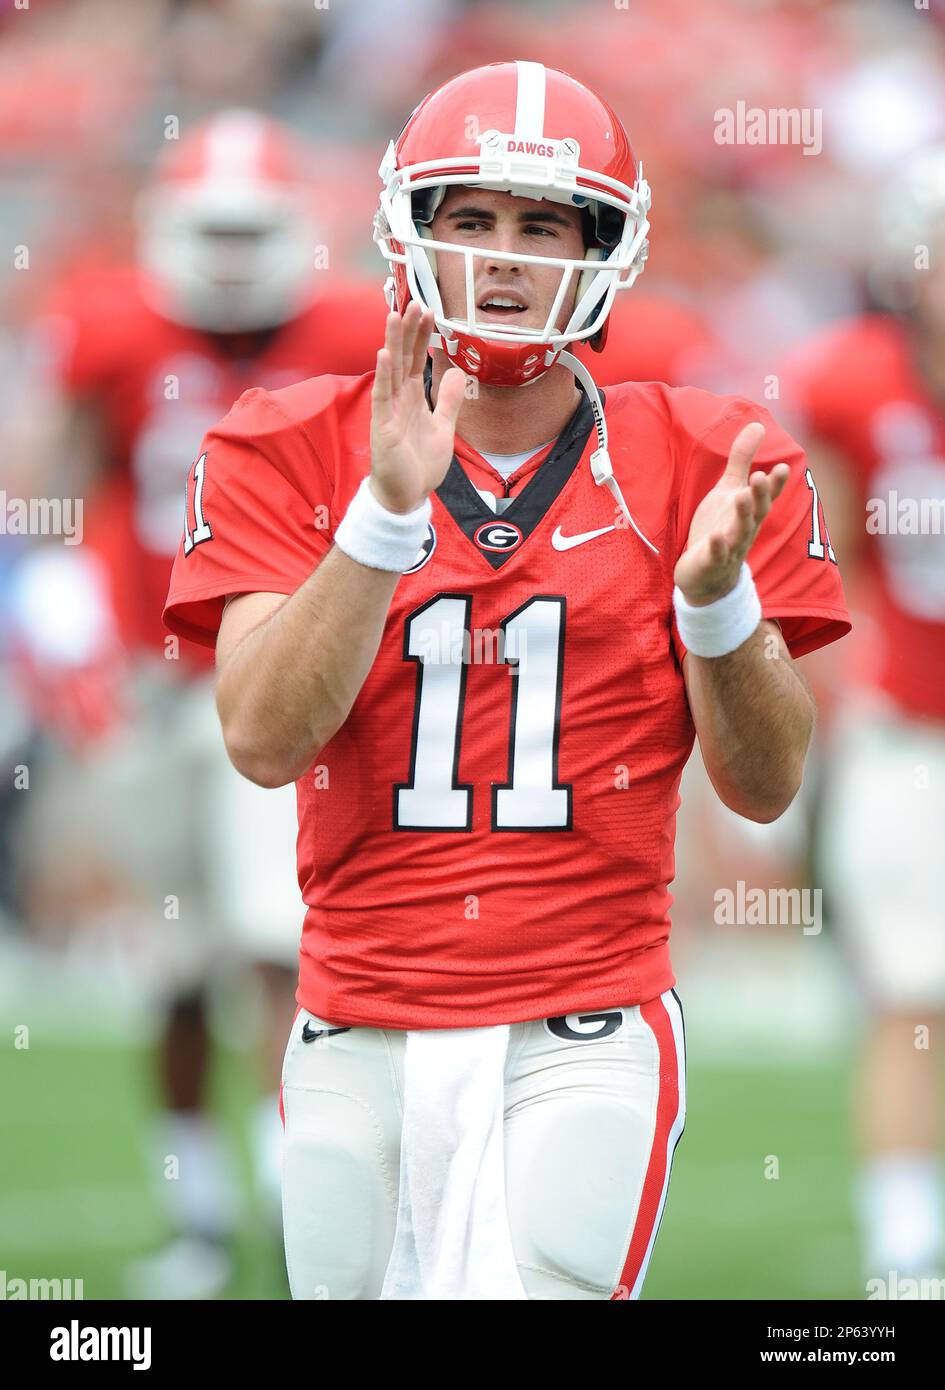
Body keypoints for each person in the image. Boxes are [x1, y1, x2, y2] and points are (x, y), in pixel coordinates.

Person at [164, 61, 850, 1300]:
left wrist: (715, 605)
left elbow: (766, 784)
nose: (503, 258)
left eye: (543, 225)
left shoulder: (702, 457)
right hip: (356, 1017)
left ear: (605, 251)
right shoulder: (292, 437)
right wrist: (380, 517)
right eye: (469, 219)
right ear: (410, 233)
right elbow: (264, 739)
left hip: (582, 1024)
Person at [16, 106, 386, 1298]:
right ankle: (197, 1207)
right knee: (171, 969)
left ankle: (293, 1187)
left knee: (283, 949)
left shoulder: (350, 327)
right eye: (210, 231)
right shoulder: (110, 324)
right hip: (152, 680)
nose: (229, 257)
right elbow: (55, 493)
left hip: (278, 674)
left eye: (250, 231)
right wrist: (63, 634)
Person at [782, 143, 945, 1291]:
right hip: (907, 733)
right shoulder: (851, 380)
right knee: (912, 991)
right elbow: (820, 571)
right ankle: (904, 1242)